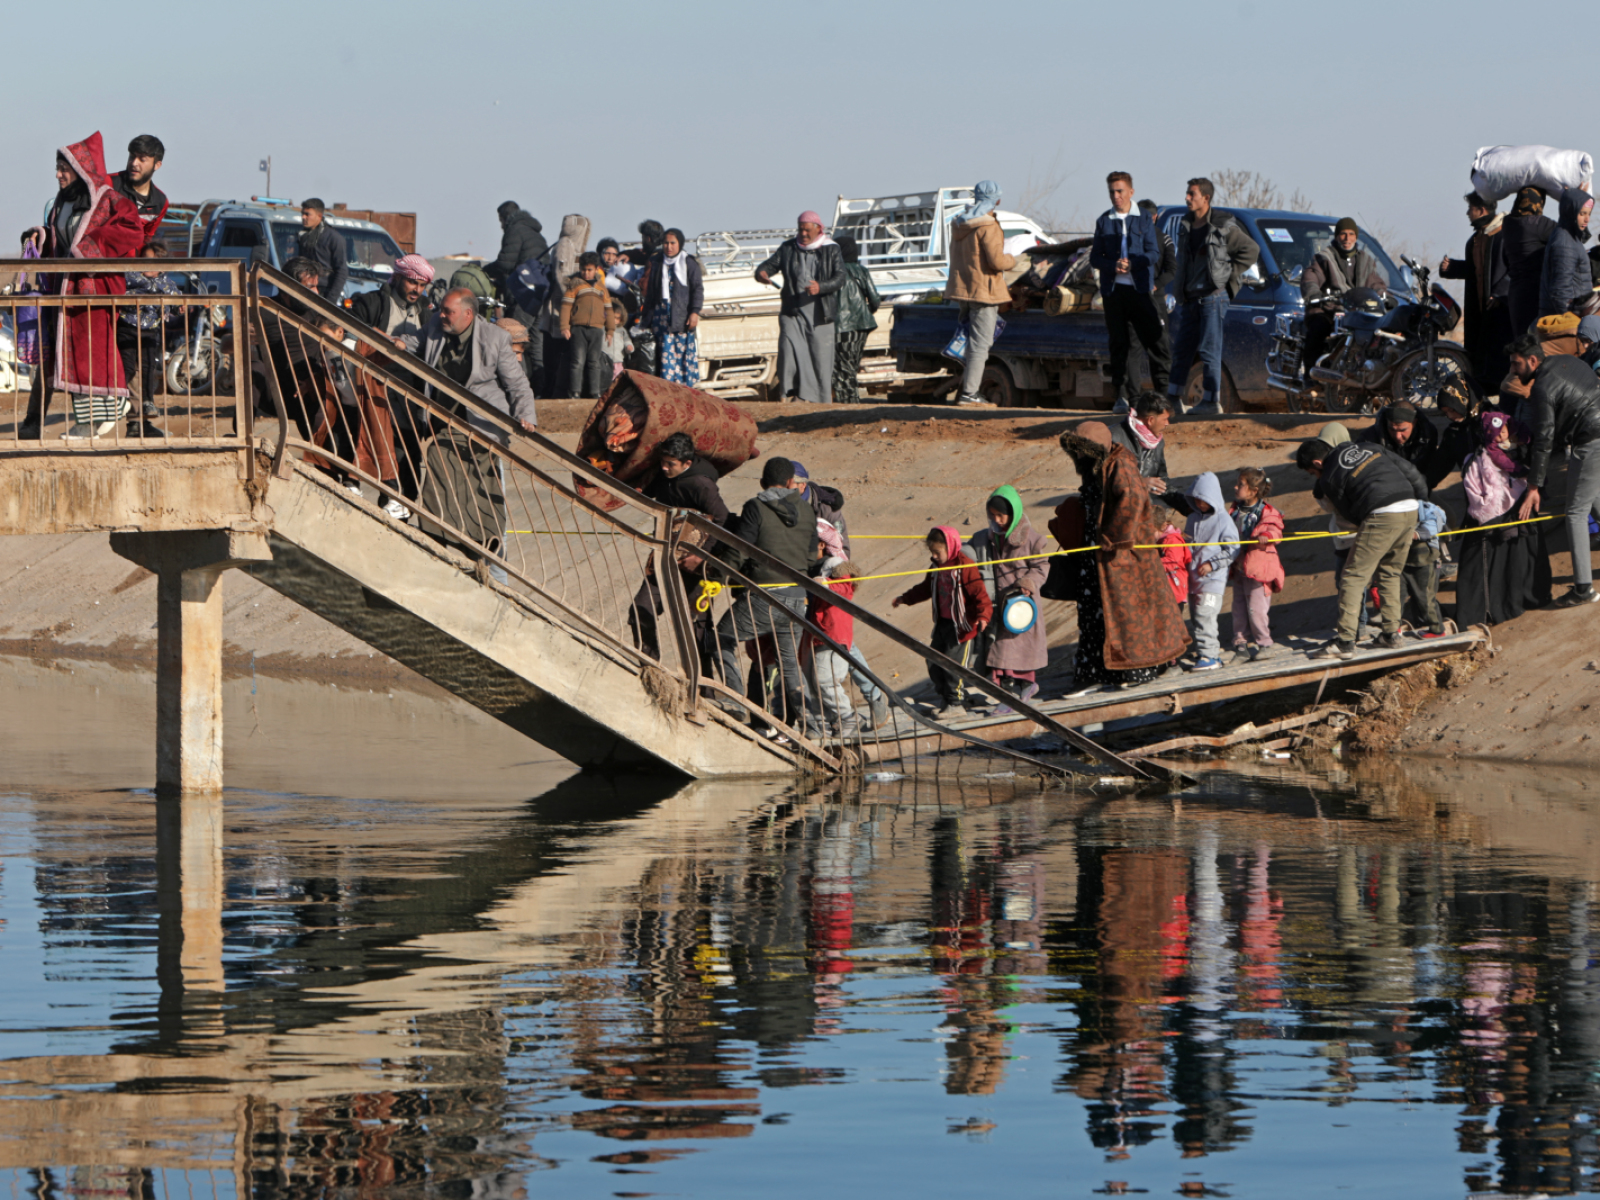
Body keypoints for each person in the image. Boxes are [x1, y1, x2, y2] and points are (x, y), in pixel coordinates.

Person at [20, 132, 146, 440]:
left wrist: (90, 246)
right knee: (62, 356)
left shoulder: (111, 200)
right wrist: (40, 235)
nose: (58, 175)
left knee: (92, 354)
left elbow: (133, 230)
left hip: (94, 292)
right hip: (63, 292)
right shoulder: (61, 202)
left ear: (81, 170)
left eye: (64, 169)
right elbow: (60, 237)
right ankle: (43, 422)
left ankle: (97, 419)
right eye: (58, 168)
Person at [1057, 422, 1189, 692]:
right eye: (1076, 449)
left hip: (1124, 559)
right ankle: (1094, 673)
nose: (1079, 454)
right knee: (1093, 615)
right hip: (1096, 557)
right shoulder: (1095, 466)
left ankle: (1137, 671)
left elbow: (1132, 501)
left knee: (1129, 616)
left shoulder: (1121, 464)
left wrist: (1113, 538)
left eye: (1082, 448)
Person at [415, 289, 538, 567]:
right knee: (439, 466)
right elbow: (415, 342)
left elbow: (518, 384)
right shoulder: (435, 326)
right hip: (446, 420)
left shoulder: (494, 338)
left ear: (468, 314)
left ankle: (486, 550)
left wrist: (525, 415)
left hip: (482, 424)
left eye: (448, 311)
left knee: (484, 486)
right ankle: (438, 538)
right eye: (442, 310)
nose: (441, 315)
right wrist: (397, 342)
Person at [714, 457, 822, 737]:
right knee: (790, 666)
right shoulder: (808, 511)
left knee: (719, 637)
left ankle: (735, 700)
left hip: (764, 596)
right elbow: (811, 557)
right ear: (791, 483)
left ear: (762, 482)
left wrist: (716, 577)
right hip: (797, 597)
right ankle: (811, 729)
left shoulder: (756, 507)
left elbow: (741, 549)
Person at [1296, 436, 1430, 658]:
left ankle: (1345, 643)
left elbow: (1349, 514)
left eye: (1313, 473)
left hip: (1381, 513)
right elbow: (1409, 470)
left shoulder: (1329, 477)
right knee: (1390, 572)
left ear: (1317, 463)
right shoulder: (1368, 446)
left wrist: (1369, 531)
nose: (1316, 477)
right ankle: (1391, 634)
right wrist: (1424, 501)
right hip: (1409, 506)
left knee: (1352, 576)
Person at [1508, 332, 1600, 606]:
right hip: (1595, 432)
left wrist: (1533, 486)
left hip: (1591, 441)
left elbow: (1544, 440)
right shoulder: (1568, 361)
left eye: (1516, 364)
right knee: (1594, 499)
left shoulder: (1542, 387)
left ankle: (1584, 589)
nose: (1513, 371)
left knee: (1575, 513)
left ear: (1532, 360)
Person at [633, 431, 730, 665]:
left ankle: (703, 681)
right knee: (641, 610)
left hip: (694, 566)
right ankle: (651, 668)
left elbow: (722, 519)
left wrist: (700, 556)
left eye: (670, 464)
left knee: (696, 625)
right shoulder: (663, 476)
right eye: (662, 462)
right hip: (665, 559)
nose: (664, 468)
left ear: (687, 463)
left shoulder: (701, 484)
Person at [1168, 177, 1259, 416]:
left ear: (1206, 198)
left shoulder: (1223, 225)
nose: (1187, 198)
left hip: (1213, 297)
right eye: (1187, 193)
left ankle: (1211, 401)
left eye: (1192, 194)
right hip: (1190, 298)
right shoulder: (1186, 224)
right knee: (1182, 349)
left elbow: (1251, 250)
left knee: (1209, 350)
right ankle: (1172, 399)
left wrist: (1229, 275)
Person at [1457, 410, 1552, 625]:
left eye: (1504, 431)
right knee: (1487, 564)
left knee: (1522, 556)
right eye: (1496, 433)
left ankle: (1527, 597)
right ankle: (1484, 611)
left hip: (1522, 508)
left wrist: (1532, 488)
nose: (1500, 436)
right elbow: (1476, 494)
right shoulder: (1479, 460)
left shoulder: (1524, 446)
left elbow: (1538, 467)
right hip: (1492, 519)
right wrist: (1488, 515)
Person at [891, 527, 992, 717]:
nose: (934, 556)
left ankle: (956, 704)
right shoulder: (936, 568)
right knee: (933, 661)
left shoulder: (965, 567)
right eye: (932, 552)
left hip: (961, 627)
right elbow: (925, 588)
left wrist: (983, 616)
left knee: (953, 665)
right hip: (943, 623)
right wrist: (905, 598)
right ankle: (946, 699)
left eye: (937, 552)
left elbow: (980, 594)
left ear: (950, 547)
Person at [1091, 172, 1170, 413]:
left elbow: (1153, 253)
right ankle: (1125, 398)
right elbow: (1095, 258)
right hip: (1114, 292)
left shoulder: (1144, 218)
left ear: (1131, 192)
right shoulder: (1104, 221)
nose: (1116, 196)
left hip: (1140, 291)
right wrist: (1112, 265)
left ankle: (1164, 397)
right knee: (1120, 345)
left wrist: (1133, 263)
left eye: (1120, 191)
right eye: (1112, 192)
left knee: (1157, 342)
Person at [967, 485, 1050, 709]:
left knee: (1019, 648)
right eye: (992, 515)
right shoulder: (987, 537)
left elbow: (1042, 567)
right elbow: (968, 550)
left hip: (1021, 606)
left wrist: (1028, 583)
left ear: (1013, 513)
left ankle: (1024, 687)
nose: (997, 520)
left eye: (1001, 515)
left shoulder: (1031, 539)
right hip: (999, 604)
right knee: (1000, 650)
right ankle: (1008, 692)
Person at [756, 212, 843, 403]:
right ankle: (791, 395)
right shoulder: (788, 248)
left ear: (818, 229)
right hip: (792, 312)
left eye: (807, 230)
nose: (803, 233)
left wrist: (821, 287)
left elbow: (840, 278)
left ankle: (820, 401)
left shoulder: (831, 248)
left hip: (820, 314)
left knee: (819, 359)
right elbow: (769, 265)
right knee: (788, 350)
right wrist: (761, 273)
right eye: (800, 229)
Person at [942, 181, 1015, 407]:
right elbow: (997, 262)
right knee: (980, 344)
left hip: (963, 291)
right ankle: (970, 394)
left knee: (970, 341)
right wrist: (1013, 260)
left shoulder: (959, 223)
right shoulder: (988, 226)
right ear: (997, 200)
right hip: (984, 292)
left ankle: (967, 389)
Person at [802, 560, 889, 737]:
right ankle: (828, 722)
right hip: (820, 637)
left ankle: (849, 717)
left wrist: (825, 582)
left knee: (825, 681)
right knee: (815, 682)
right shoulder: (827, 577)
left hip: (834, 638)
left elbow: (842, 588)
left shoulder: (840, 579)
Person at [1440, 192, 1512, 396]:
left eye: (1470, 209)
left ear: (1481, 210)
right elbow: (1476, 271)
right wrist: (1452, 268)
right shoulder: (1475, 240)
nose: (1467, 213)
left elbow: (1515, 269)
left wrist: (1500, 294)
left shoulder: (1506, 236)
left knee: (1500, 364)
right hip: (1479, 313)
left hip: (1501, 311)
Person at [1301, 218, 1386, 386]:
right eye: (1343, 234)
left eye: (1351, 234)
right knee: (1318, 328)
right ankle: (1310, 376)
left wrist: (1384, 295)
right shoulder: (1324, 257)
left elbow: (1376, 283)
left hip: (1356, 312)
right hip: (1328, 308)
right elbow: (1311, 276)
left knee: (1378, 334)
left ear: (1356, 237)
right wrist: (1313, 291)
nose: (1347, 238)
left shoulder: (1366, 260)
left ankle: (1366, 376)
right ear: (1336, 236)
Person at [116, 240, 181, 437]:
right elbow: (120, 291)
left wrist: (179, 306)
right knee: (128, 367)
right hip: (127, 327)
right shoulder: (131, 277)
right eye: (144, 260)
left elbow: (175, 298)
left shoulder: (166, 283)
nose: (147, 265)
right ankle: (118, 400)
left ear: (162, 266)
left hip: (150, 331)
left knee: (148, 368)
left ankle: (147, 403)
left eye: (152, 262)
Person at [1227, 467, 1284, 663]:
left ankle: (1265, 644)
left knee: (1256, 609)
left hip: (1259, 569)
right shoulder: (1234, 510)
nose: (1235, 487)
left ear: (1253, 491)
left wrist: (1266, 536)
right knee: (1239, 609)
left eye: (1240, 485)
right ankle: (1241, 646)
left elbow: (1275, 529)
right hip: (1239, 567)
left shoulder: (1267, 512)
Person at [1183, 472, 1239, 670]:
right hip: (1193, 580)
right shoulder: (1192, 519)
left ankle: (1210, 656)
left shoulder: (1223, 520)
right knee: (1196, 616)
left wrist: (1212, 565)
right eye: (1196, 500)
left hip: (1213, 581)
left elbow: (1232, 549)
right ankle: (1205, 652)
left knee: (1205, 614)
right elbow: (1188, 545)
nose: (1199, 504)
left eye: (1203, 499)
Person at [640, 228, 704, 388]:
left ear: (679, 243)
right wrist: (645, 319)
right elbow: (651, 293)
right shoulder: (657, 262)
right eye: (666, 243)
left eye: (672, 243)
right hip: (660, 317)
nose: (669, 247)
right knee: (664, 353)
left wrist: (694, 312)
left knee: (681, 355)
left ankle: (682, 390)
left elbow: (697, 289)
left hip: (681, 317)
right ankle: (666, 389)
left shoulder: (689, 263)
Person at [832, 234, 881, 404]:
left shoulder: (831, 272)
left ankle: (848, 402)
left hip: (839, 327)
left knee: (841, 367)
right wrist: (865, 313)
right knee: (851, 366)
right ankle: (851, 402)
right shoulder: (862, 270)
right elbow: (875, 300)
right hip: (862, 327)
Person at [1356, 399, 1448, 489]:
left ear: (1414, 423)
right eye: (1392, 429)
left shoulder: (1427, 435)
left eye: (1403, 430)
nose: (1398, 436)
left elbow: (1429, 469)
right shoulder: (1368, 439)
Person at [1502, 187, 1556, 336]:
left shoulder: (1508, 223)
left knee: (1522, 340)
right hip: (1537, 293)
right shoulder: (1538, 224)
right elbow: (1570, 235)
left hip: (1516, 293)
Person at [1106, 391, 1178, 500]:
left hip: (1141, 507)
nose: (1167, 423)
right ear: (1151, 420)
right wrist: (1140, 483)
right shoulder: (1112, 438)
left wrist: (1188, 505)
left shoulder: (1157, 442)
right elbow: (1101, 481)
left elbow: (1162, 483)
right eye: (1164, 419)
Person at [559, 251, 610, 398]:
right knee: (577, 361)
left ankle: (595, 392)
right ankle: (575, 391)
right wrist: (564, 326)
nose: (586, 273)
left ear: (596, 269)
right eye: (583, 269)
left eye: (589, 270)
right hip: (578, 328)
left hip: (597, 329)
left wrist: (610, 329)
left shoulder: (602, 288)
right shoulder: (574, 285)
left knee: (595, 362)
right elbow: (566, 306)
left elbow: (609, 309)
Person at [1539, 187, 1595, 319]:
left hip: (1578, 313)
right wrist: (1570, 321)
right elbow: (1561, 290)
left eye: (1589, 213)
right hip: (1570, 317)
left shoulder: (1571, 238)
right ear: (1570, 212)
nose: (1587, 219)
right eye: (1582, 213)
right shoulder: (1565, 243)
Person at [114, 134, 168, 248]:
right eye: (132, 157)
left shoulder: (160, 202)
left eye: (142, 159)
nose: (134, 163)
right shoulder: (108, 184)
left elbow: (145, 241)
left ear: (157, 165)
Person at [1404, 499, 1447, 638]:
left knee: (1425, 596)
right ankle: (1392, 630)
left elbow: (1434, 524)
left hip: (1423, 558)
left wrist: (1414, 534)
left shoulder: (1427, 507)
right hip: (1400, 559)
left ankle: (1436, 629)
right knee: (1394, 594)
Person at [486, 201, 547, 296]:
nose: (501, 226)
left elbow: (505, 264)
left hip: (523, 288)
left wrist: (483, 271)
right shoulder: (535, 232)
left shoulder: (514, 230)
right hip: (541, 286)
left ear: (506, 218)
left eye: (501, 221)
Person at [296, 199, 348, 302]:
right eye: (302, 214)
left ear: (319, 216)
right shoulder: (303, 237)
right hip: (305, 290)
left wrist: (330, 299)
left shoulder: (334, 238)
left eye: (307, 214)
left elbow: (342, 271)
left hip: (324, 292)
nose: (303, 217)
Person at [1154, 503, 1190, 610]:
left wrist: (1151, 562)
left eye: (1151, 531)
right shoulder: (1158, 541)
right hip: (1165, 591)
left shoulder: (1173, 540)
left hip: (1175, 593)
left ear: (1162, 526)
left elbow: (1172, 561)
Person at [602, 300, 633, 382]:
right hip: (604, 361)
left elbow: (627, 340)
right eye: (613, 317)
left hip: (618, 361)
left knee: (618, 380)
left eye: (617, 318)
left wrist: (629, 346)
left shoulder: (621, 330)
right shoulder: (602, 328)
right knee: (605, 380)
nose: (615, 320)